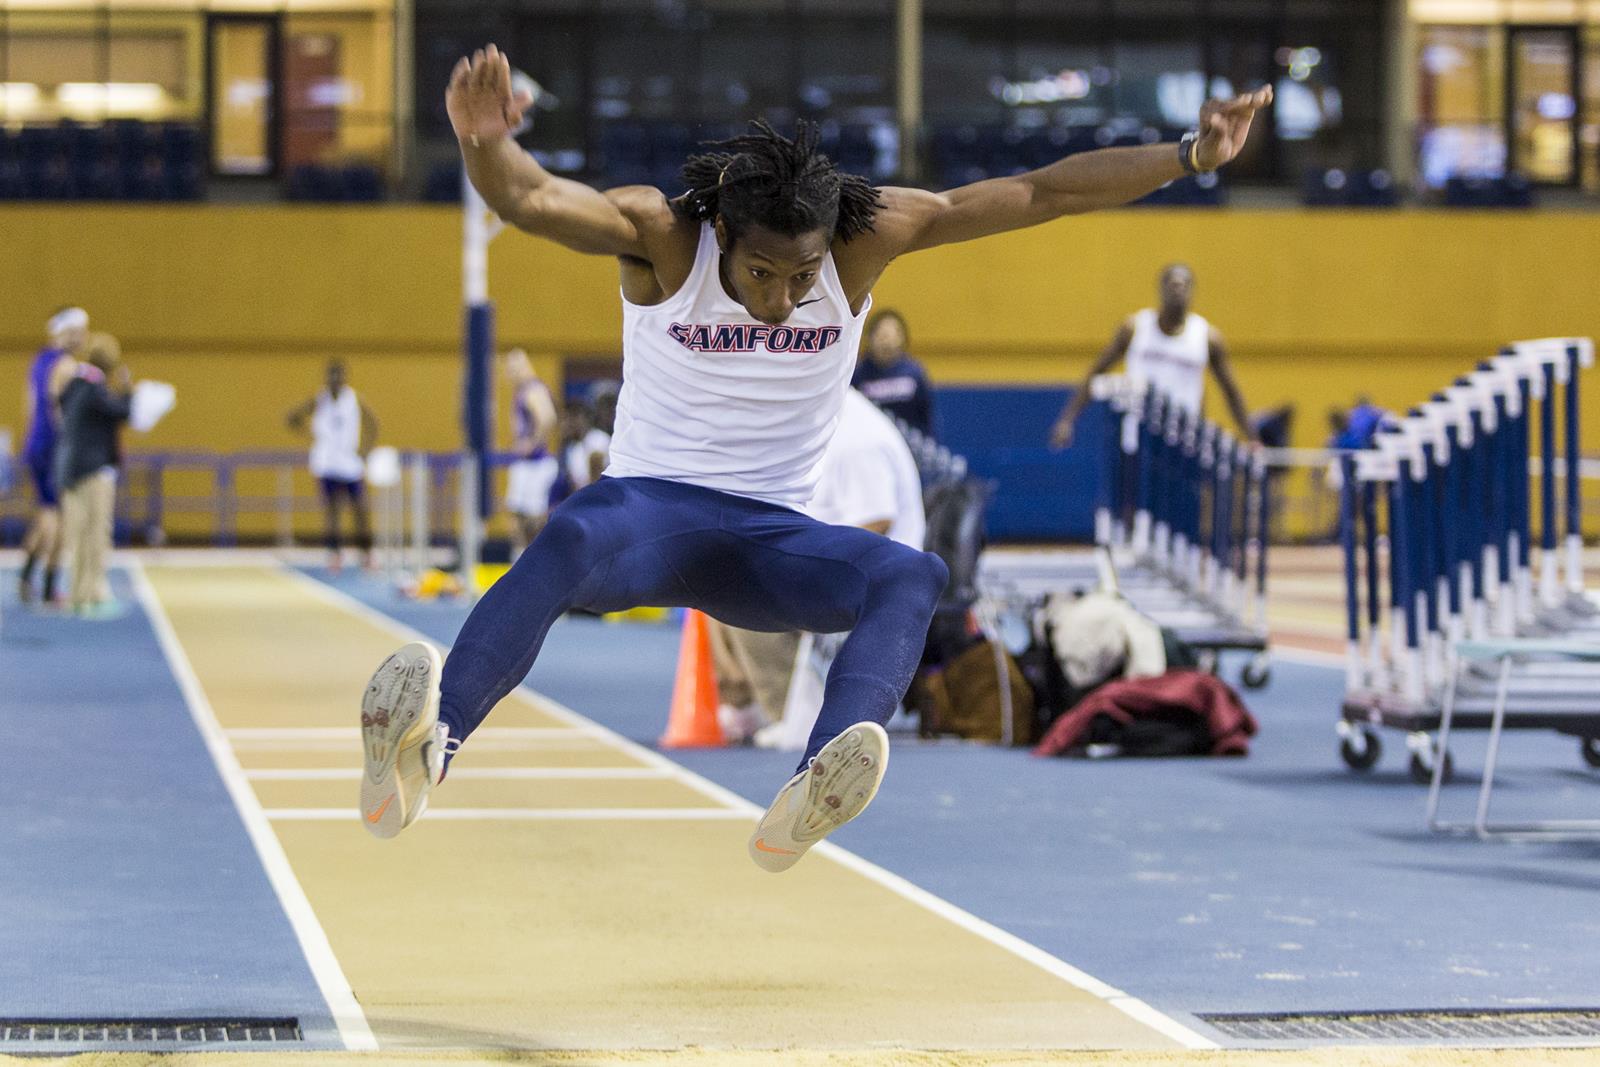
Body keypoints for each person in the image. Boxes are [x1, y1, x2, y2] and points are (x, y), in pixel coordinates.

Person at [358, 43, 1270, 873]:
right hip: (646, 516)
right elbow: (532, 199)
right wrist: (484, 144)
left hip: (768, 540)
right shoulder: (666, 237)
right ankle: (430, 747)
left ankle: (813, 784)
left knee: (912, 573)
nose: (787, 301)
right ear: (721, 233)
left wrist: (1188, 154)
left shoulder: (866, 240)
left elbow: (1044, 192)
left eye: (803, 276)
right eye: (763, 275)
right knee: (567, 537)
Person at [712, 387, 927, 743]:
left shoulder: (857, 438)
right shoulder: (818, 426)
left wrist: (792, 560)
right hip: (847, 565)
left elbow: (877, 523)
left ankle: (790, 716)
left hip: (878, 579)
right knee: (720, 571)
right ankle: (746, 702)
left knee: (748, 590)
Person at [1050, 264, 1254, 449]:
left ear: (1193, 292)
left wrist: (1252, 437)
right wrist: (1067, 419)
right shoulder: (1134, 328)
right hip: (1137, 438)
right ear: (1161, 288)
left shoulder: (1207, 338)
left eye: (1184, 285)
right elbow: (1097, 372)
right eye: (1173, 284)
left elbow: (1231, 391)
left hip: (1185, 441)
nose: (1178, 290)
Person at [17, 307, 89, 605]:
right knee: (57, 516)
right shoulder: (66, 365)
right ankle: (48, 584)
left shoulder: (38, 361)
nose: (84, 337)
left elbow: (30, 407)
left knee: (46, 511)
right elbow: (62, 415)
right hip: (54, 447)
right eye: (81, 331)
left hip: (35, 443)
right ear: (69, 332)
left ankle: (26, 575)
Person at [56, 332, 130, 617]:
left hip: (70, 469)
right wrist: (126, 389)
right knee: (95, 534)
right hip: (92, 471)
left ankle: (77, 594)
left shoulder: (74, 385)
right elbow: (120, 411)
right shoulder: (95, 388)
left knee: (77, 534)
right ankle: (90, 594)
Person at [287, 360, 379, 573]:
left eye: (339, 376)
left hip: (350, 464)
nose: (335, 381)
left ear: (344, 378)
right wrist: (311, 436)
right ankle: (334, 555)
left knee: (360, 510)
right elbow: (291, 418)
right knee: (332, 513)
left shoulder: (354, 399)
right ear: (327, 378)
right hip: (327, 464)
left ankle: (366, 553)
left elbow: (373, 423)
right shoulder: (319, 400)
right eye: (331, 376)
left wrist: (365, 449)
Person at [501, 348, 560, 557]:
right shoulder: (524, 390)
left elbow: (547, 417)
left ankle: (533, 557)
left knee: (531, 519)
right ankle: (524, 556)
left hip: (535, 464)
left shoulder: (532, 389)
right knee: (517, 514)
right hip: (528, 463)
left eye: (510, 370)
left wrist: (532, 443)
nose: (508, 375)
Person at [851, 308, 935, 438]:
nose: (887, 343)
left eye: (893, 336)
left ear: (902, 339)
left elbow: (926, 416)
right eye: (882, 335)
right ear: (870, 338)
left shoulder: (914, 373)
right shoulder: (857, 374)